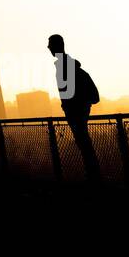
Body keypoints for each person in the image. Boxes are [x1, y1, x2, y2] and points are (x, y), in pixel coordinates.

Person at [47, 35, 101, 181]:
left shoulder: (65, 68)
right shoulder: (68, 67)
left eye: (50, 44)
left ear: (57, 46)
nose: (48, 48)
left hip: (75, 113)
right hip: (75, 112)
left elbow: (70, 94)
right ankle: (93, 174)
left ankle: (93, 175)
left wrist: (70, 106)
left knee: (84, 143)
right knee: (84, 143)